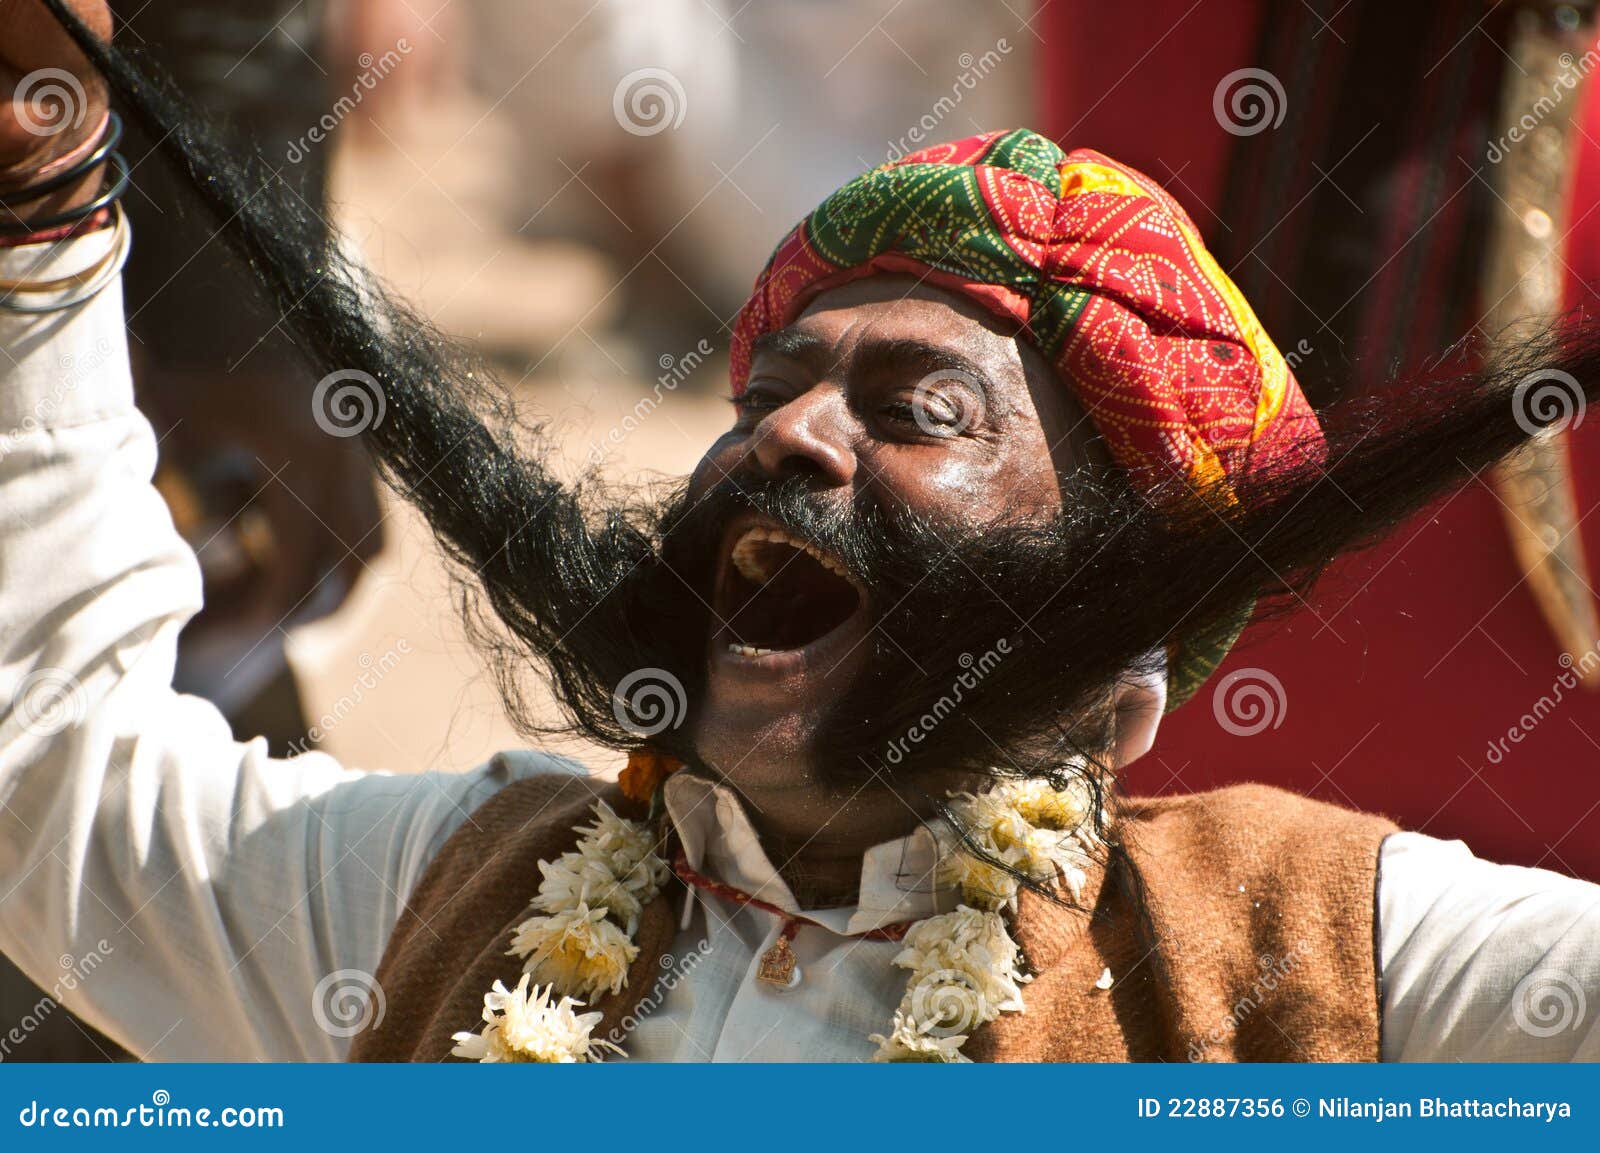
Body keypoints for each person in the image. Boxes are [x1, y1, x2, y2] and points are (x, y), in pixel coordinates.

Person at [2, 0, 1599, 1062]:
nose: (783, 435)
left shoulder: (1307, 954)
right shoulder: (446, 891)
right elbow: (51, 783)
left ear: (1116, 663)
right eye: (768, 390)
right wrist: (47, 202)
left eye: (921, 409)